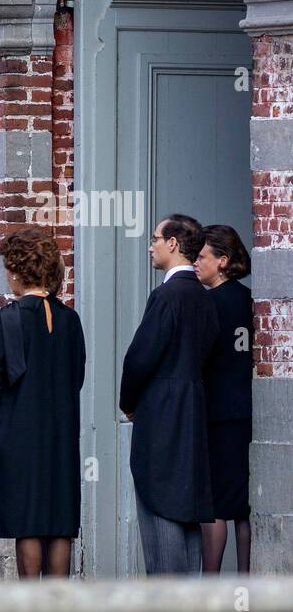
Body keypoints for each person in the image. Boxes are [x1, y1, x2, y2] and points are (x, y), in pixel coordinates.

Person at [0, 228, 85, 578]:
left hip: (20, 432)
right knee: (59, 521)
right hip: (61, 431)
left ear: (18, 271)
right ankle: (59, 611)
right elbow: (77, 377)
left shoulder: (10, 318)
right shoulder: (70, 319)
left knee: (28, 521)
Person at [119, 214, 219, 576]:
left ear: (173, 243)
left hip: (162, 412)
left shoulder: (166, 296)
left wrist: (128, 402)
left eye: (156, 238)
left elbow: (140, 358)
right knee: (186, 511)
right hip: (193, 410)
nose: (151, 245)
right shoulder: (206, 299)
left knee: (158, 502)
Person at [196, 224, 254, 574]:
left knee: (215, 503)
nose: (196, 263)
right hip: (246, 410)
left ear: (223, 260)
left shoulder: (208, 303)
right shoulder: (249, 300)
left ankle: (211, 582)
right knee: (244, 503)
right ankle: (246, 580)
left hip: (216, 413)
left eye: (203, 257)